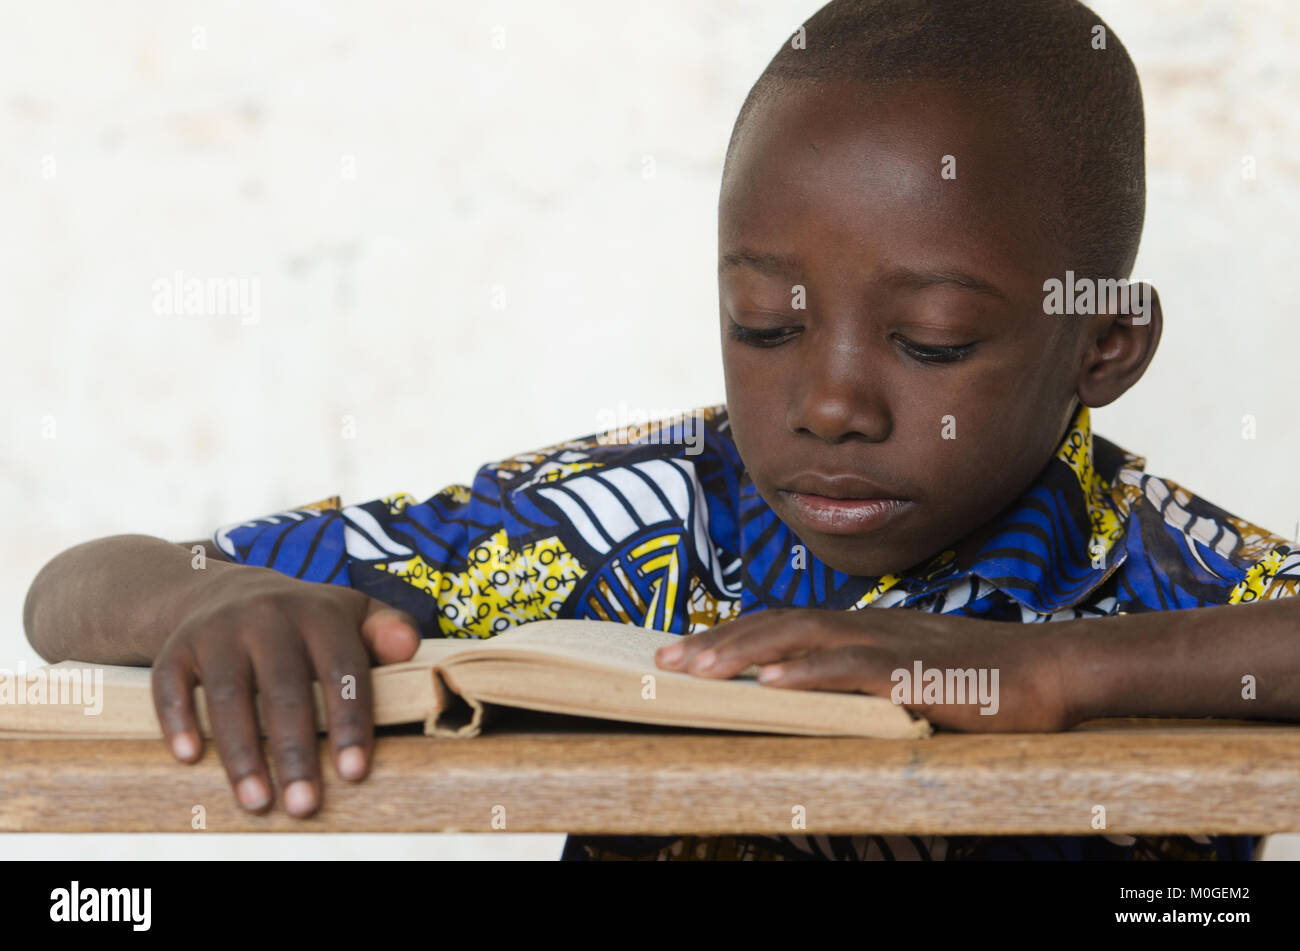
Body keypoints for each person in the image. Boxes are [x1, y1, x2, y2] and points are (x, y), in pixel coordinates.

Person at [24, 0, 1300, 861]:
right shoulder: (631, 525)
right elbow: (68, 592)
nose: (829, 405)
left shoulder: (1166, 574)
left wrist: (1060, 672)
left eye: (930, 344)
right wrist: (213, 606)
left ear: (1103, 346)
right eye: (764, 325)